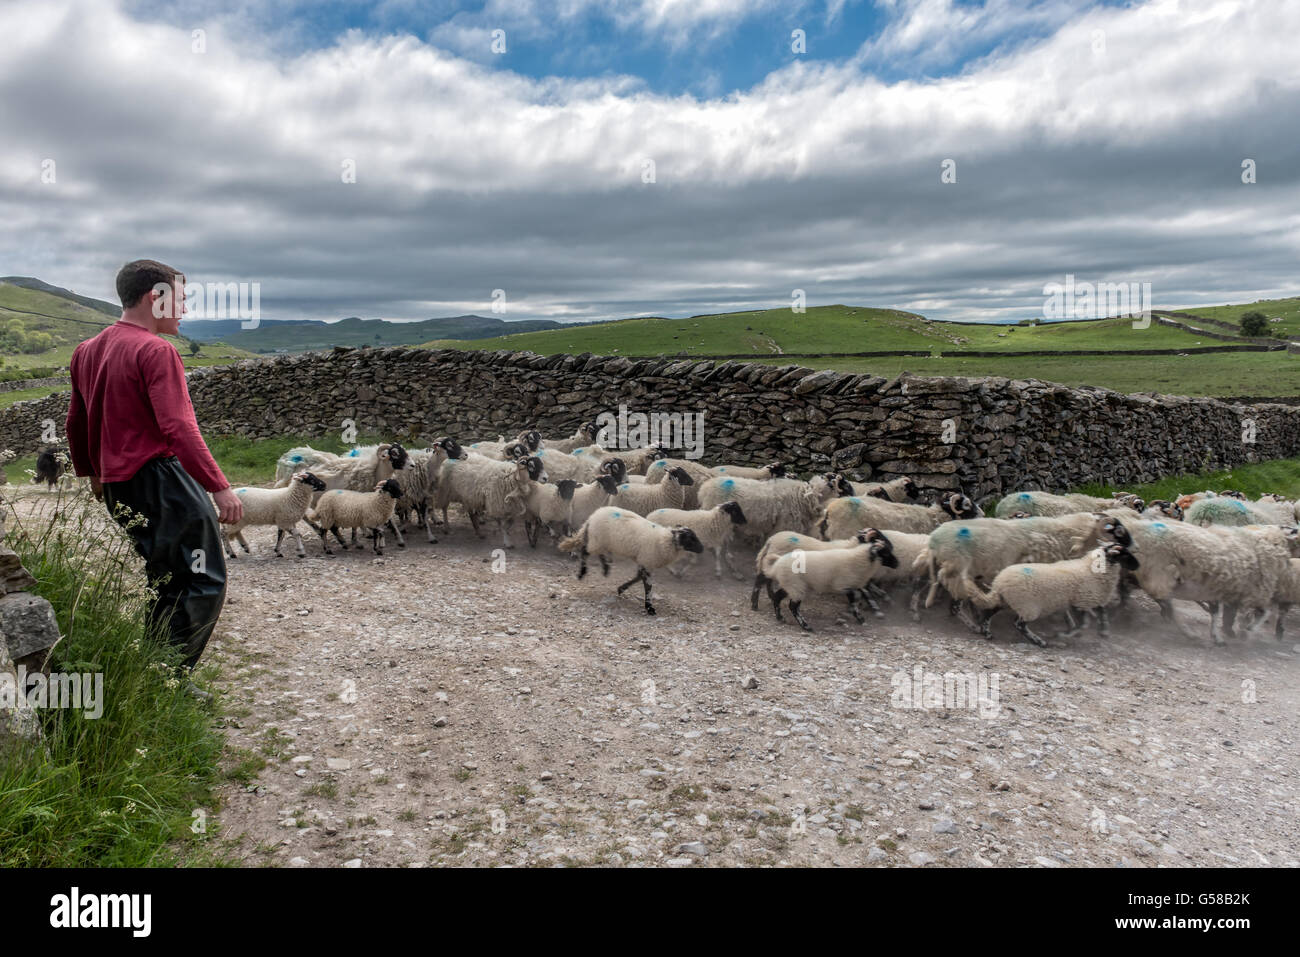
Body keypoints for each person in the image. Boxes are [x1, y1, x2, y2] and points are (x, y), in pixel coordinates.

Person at [65, 260, 243, 683]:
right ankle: (169, 681)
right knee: (202, 579)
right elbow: (177, 427)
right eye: (180, 299)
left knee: (164, 579)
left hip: (118, 485)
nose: (184, 309)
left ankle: (153, 673)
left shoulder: (86, 351)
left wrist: (94, 473)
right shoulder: (155, 350)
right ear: (155, 297)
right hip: (161, 480)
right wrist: (218, 487)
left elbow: (76, 421)